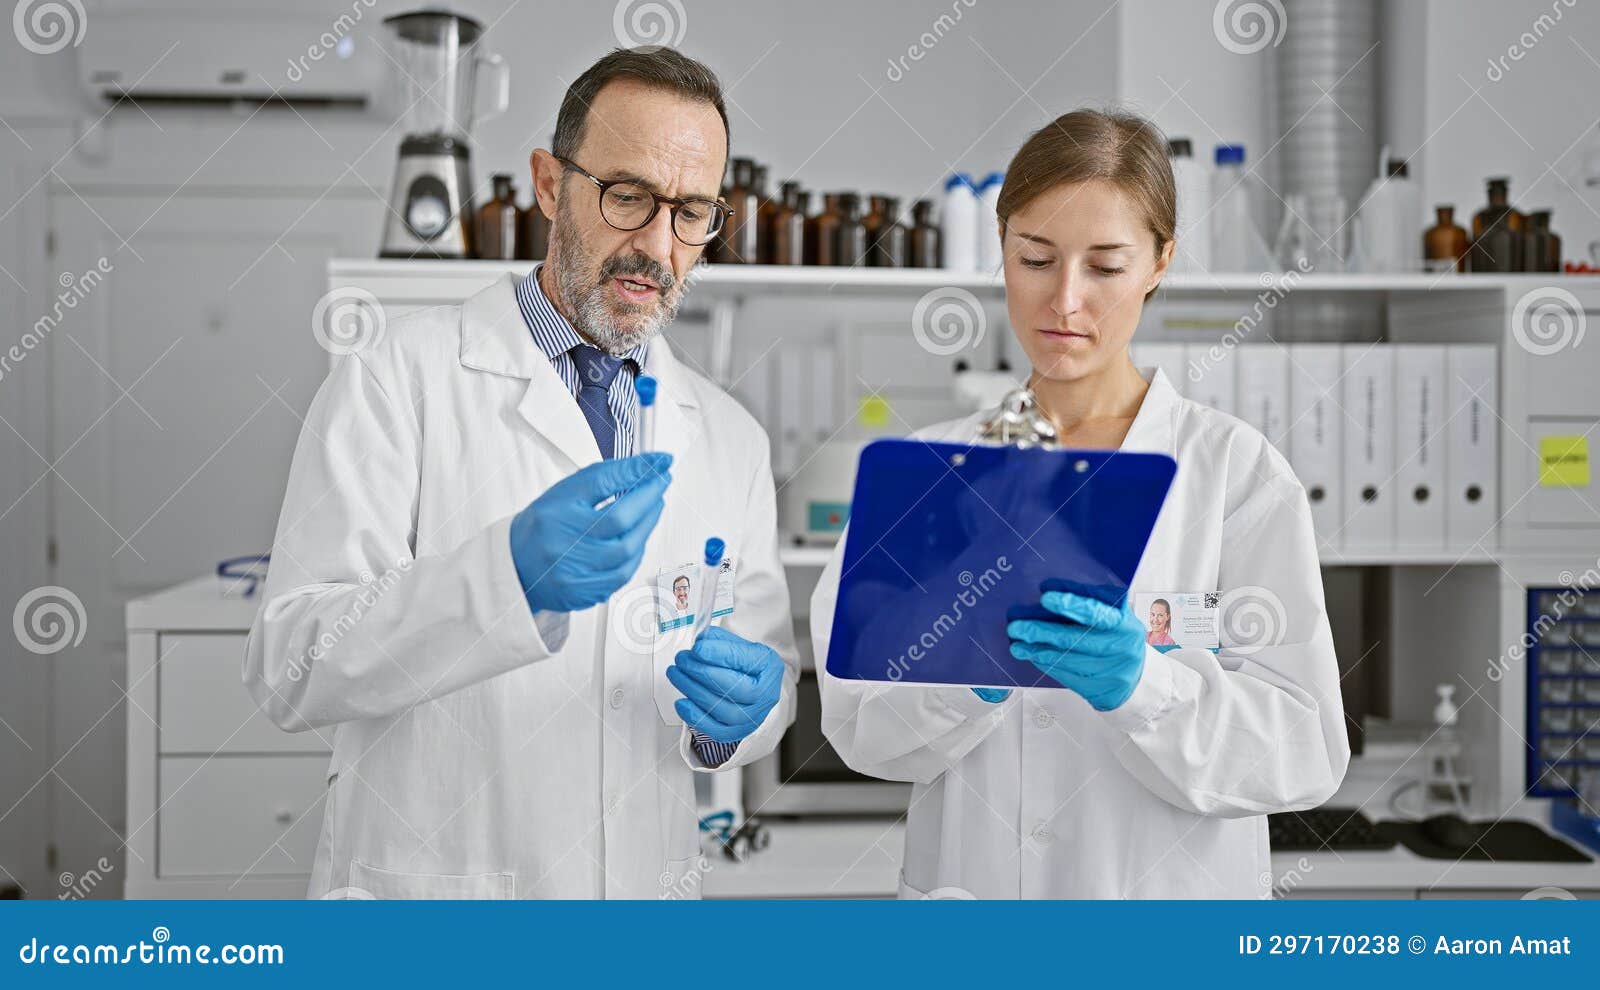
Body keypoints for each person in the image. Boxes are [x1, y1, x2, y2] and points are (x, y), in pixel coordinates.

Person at [244, 48, 797, 899]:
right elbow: (290, 664)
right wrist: (505, 578)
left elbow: (758, 670)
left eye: (692, 213)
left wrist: (741, 719)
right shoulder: (399, 378)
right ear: (548, 184)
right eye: (628, 196)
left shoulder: (729, 437)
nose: (657, 245)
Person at [812, 108, 1348, 899]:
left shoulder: (1235, 475)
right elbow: (859, 727)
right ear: (1002, 250)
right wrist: (967, 679)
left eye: (1105, 266)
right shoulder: (929, 473)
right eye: (1036, 258)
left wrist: (1143, 688)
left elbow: (1304, 752)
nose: (1064, 300)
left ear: (1160, 261)